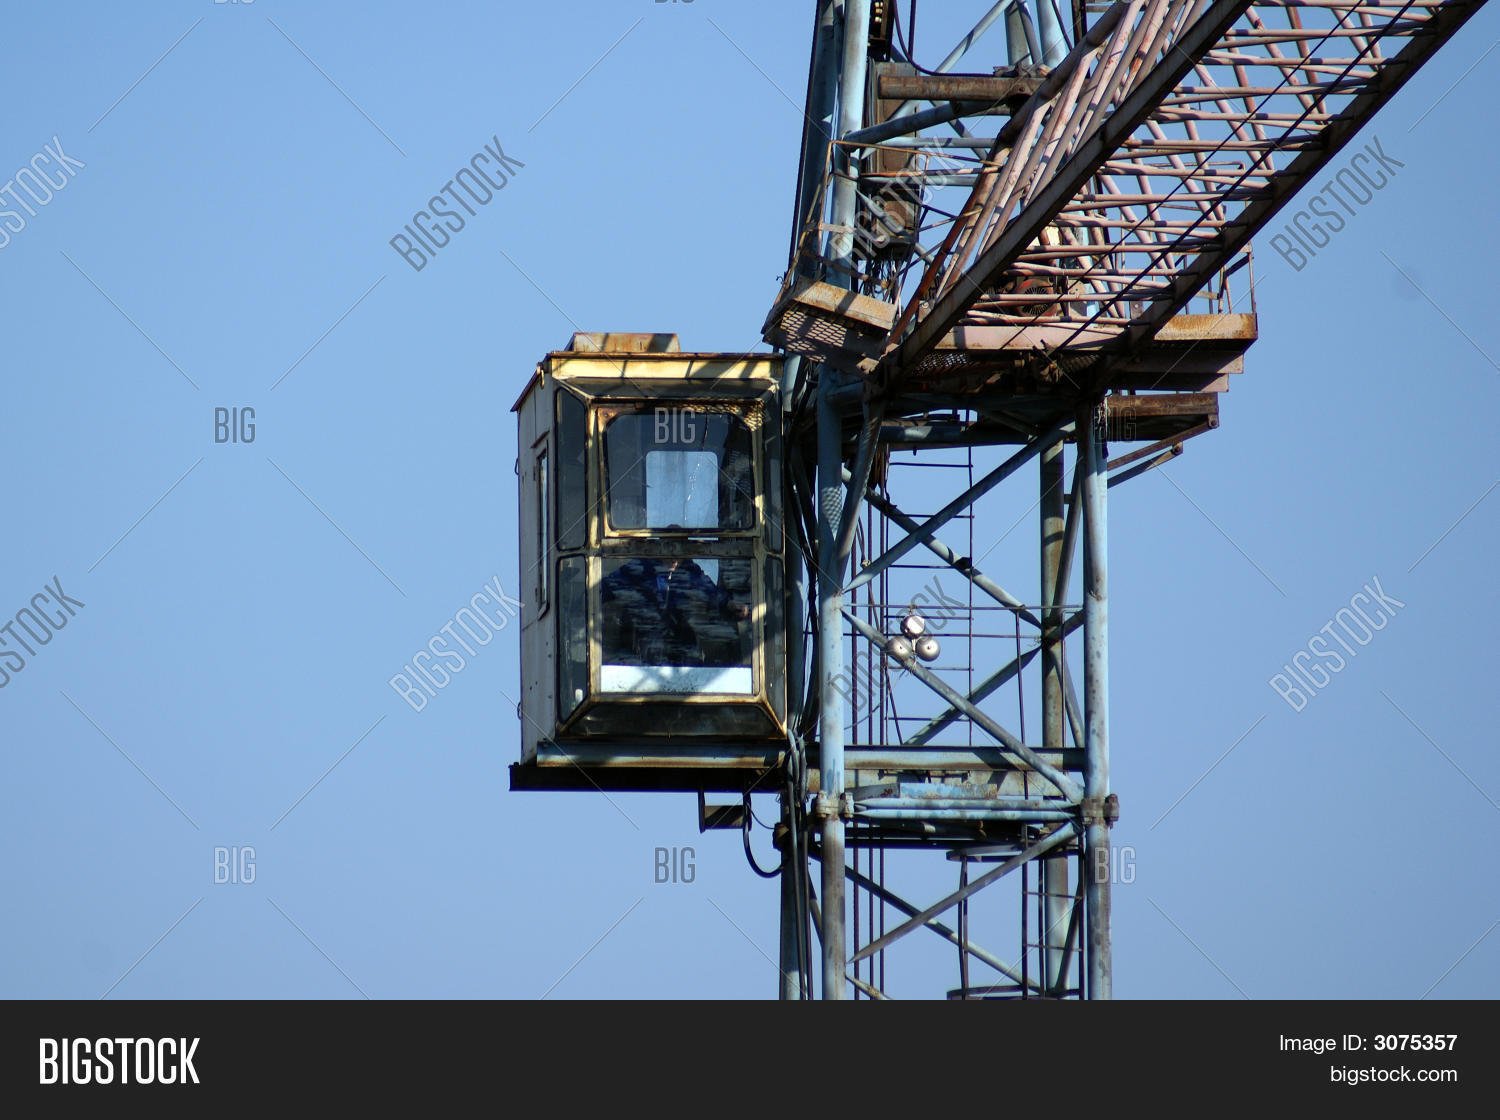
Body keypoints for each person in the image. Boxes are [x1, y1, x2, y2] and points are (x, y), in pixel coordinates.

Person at [601, 557, 749, 666]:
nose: (674, 557)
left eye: (679, 551)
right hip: (646, 641)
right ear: (661, 546)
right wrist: (595, 595)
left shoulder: (690, 571)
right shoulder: (641, 567)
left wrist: (729, 604)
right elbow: (608, 586)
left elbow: (711, 592)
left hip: (682, 641)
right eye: (670, 548)